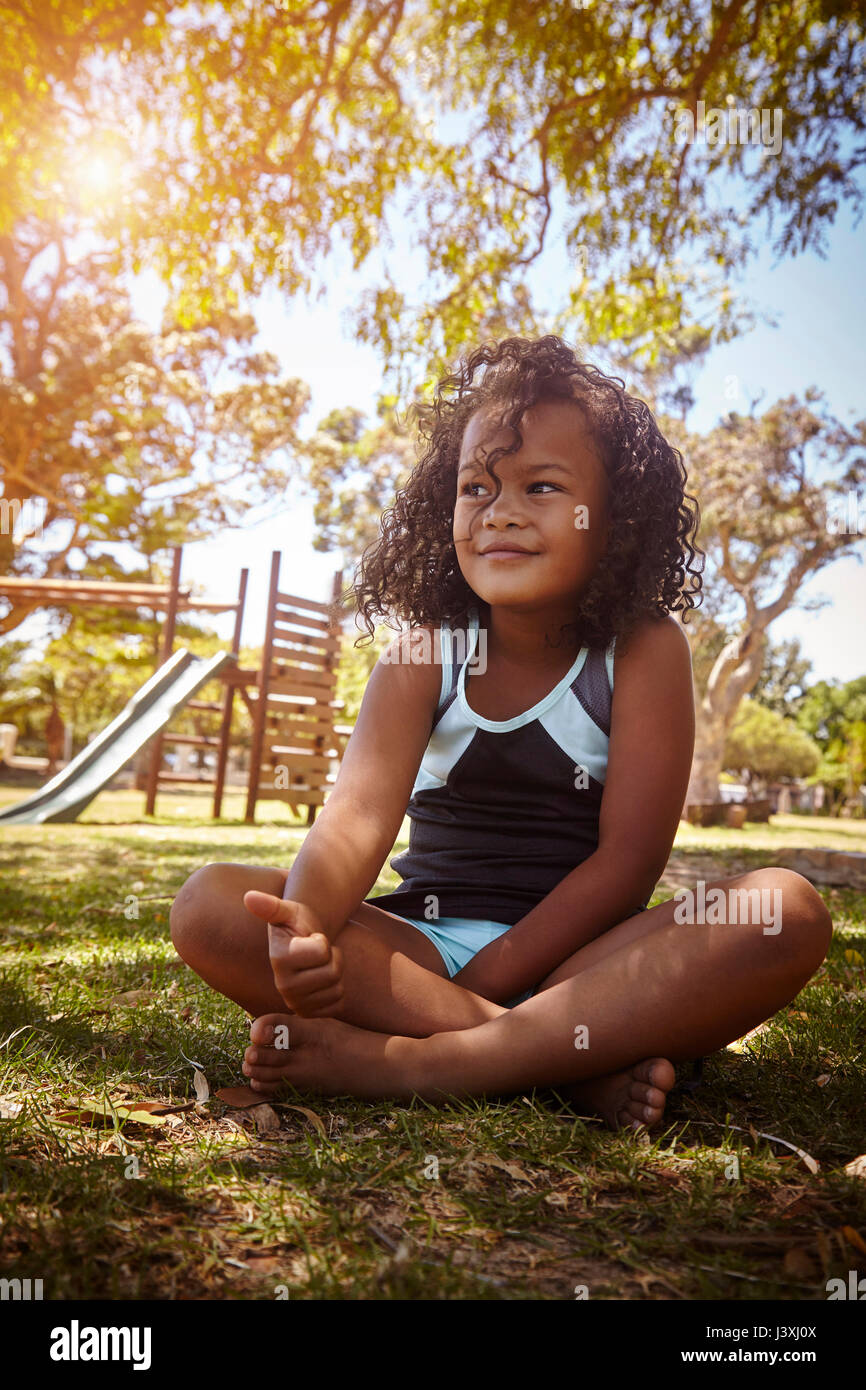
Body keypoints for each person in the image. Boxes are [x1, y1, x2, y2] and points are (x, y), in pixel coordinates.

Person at [169, 335, 832, 1131]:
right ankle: (559, 1068)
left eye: (541, 486)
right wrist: (306, 924)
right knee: (209, 906)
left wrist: (497, 975)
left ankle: (421, 1064)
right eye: (476, 487)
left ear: (613, 516)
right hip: (419, 953)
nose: (500, 512)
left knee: (781, 911)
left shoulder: (646, 650)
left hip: (585, 971)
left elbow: (628, 865)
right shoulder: (422, 653)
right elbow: (353, 818)